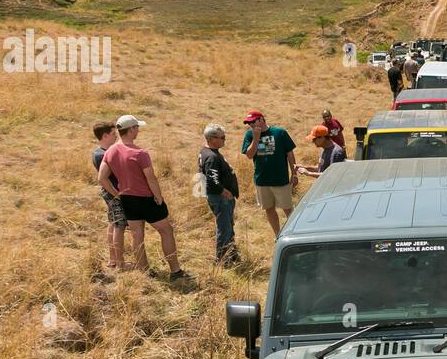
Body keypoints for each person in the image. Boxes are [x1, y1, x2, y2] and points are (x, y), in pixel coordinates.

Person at [98, 115, 189, 280]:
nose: (138, 130)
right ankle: (175, 271)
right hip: (146, 199)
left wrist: (117, 195)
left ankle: (145, 271)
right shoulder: (140, 153)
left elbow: (101, 178)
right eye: (137, 127)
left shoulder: (110, 151)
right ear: (131, 129)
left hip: (127, 199)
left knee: (137, 235)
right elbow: (151, 178)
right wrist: (159, 197)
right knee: (166, 231)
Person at [241, 109, 298, 237]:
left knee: (288, 208)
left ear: (261, 119)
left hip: (280, 179)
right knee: (269, 208)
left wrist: (294, 174)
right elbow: (249, 155)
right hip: (262, 180)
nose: (251, 125)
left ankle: (294, 234)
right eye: (249, 123)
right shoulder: (249, 135)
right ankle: (277, 235)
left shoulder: (280, 132)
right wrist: (256, 138)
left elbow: (290, 153)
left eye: (252, 122)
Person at [198, 123, 240, 265]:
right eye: (222, 137)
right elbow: (211, 180)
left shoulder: (209, 152)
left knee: (228, 226)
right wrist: (224, 191)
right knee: (225, 229)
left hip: (221, 197)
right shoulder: (211, 156)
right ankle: (222, 261)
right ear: (211, 138)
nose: (224, 140)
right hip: (220, 198)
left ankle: (233, 255)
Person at [91, 121, 126, 270]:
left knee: (112, 223)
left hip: (109, 191)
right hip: (113, 192)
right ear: (105, 136)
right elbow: (104, 178)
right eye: (113, 134)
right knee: (119, 225)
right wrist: (117, 195)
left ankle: (113, 259)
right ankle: (120, 263)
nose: (116, 137)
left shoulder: (97, 152)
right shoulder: (103, 155)